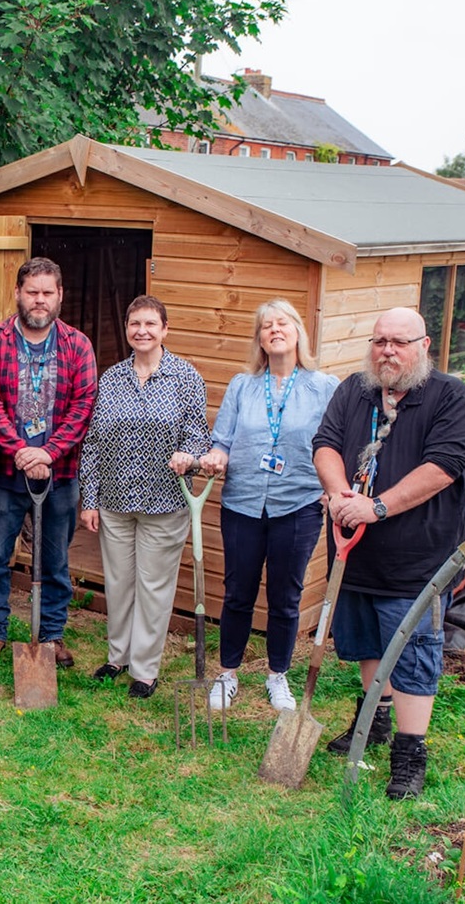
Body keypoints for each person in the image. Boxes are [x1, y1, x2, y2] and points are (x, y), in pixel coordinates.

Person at [311, 306, 465, 799]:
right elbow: (325, 445)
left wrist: (376, 507)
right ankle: (375, 722)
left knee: (414, 652)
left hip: (418, 559)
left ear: (424, 346)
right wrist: (343, 496)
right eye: (380, 340)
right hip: (355, 553)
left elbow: (443, 467)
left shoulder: (449, 397)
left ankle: (410, 752)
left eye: (399, 342)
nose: (387, 350)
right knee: (366, 641)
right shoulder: (354, 390)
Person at [198, 300, 338, 713]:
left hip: (298, 504)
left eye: (282, 323)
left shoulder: (324, 386)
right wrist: (217, 457)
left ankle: (278, 675)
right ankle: (227, 674)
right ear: (259, 339)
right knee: (238, 592)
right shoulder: (243, 385)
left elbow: (336, 445)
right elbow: (222, 439)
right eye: (266, 326)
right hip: (242, 503)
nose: (274, 330)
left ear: (298, 332)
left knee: (285, 596)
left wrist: (335, 486)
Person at [79, 296, 211, 699]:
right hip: (115, 500)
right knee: (119, 584)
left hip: (164, 501)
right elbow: (93, 441)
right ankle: (117, 657)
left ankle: (145, 669)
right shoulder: (112, 378)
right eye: (135, 323)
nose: (142, 330)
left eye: (150, 323)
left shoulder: (185, 377)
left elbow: (198, 434)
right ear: (127, 328)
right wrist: (90, 497)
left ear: (164, 329)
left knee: (153, 587)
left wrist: (189, 457)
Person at [0, 257, 98, 670]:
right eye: (32, 292)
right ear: (18, 294)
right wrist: (22, 452)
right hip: (2, 474)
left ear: (60, 295)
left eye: (47, 292)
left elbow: (83, 406)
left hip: (60, 475)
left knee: (56, 559)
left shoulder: (78, 345)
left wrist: (49, 451)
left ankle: (51, 634)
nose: (39, 300)